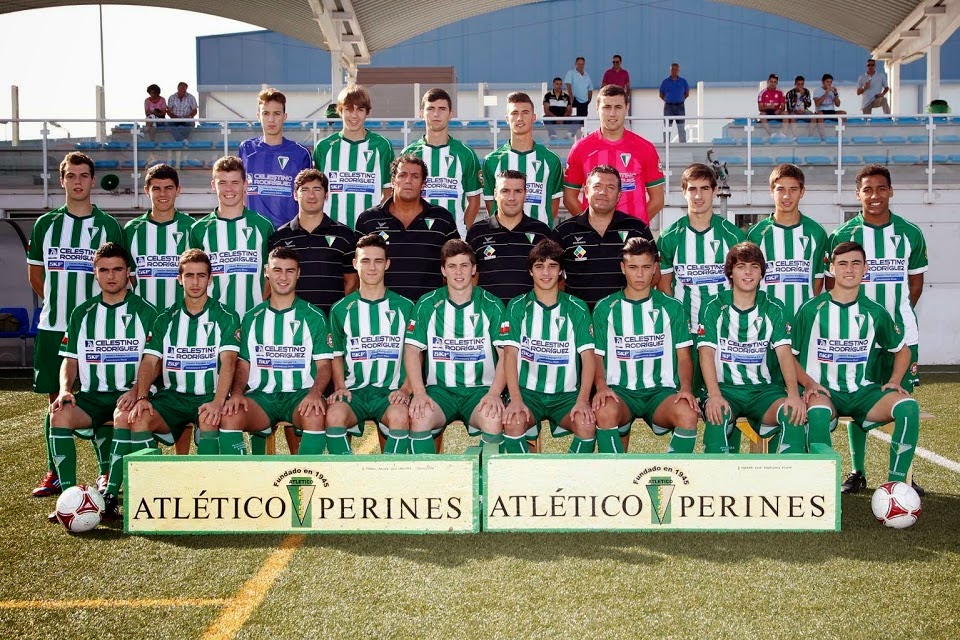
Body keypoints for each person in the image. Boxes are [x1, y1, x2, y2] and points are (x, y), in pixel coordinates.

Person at [27, 152, 124, 498]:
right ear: (62, 180)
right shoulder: (45, 225)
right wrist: (61, 308)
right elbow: (36, 276)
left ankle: (103, 472)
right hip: (54, 327)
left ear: (93, 181)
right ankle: (54, 472)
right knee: (57, 399)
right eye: (71, 176)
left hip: (100, 330)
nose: (78, 181)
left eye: (84, 175)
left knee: (100, 396)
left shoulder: (109, 225)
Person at [827, 164, 927, 493]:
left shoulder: (910, 233)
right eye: (867, 190)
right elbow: (832, 285)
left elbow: (915, 284)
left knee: (900, 397)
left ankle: (903, 478)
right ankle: (858, 472)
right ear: (858, 194)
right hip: (856, 337)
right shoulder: (844, 236)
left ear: (891, 192)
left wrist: (896, 318)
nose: (874, 196)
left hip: (899, 333)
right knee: (858, 395)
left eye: (881, 188)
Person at [794, 241, 920, 491]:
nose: (849, 269)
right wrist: (808, 383)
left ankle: (894, 488)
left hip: (862, 392)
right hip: (823, 391)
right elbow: (788, 355)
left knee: (908, 407)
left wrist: (895, 380)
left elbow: (902, 350)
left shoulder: (875, 311)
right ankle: (822, 490)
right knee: (817, 414)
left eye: (855, 263)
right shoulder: (811, 309)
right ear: (832, 268)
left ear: (865, 268)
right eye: (842, 264)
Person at [47, 242, 157, 522]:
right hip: (92, 396)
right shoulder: (81, 313)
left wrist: (137, 390)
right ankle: (69, 498)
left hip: (130, 394)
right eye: (104, 270)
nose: (111, 276)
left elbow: (155, 362)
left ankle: (109, 496)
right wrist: (64, 390)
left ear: (128, 272)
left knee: (123, 414)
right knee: (58, 414)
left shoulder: (147, 312)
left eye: (117, 269)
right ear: (95, 273)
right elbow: (70, 360)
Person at [120, 249, 240, 505]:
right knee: (139, 418)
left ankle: (209, 495)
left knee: (209, 421)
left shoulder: (226, 316)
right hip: (172, 397)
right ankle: (151, 494)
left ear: (210, 279)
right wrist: (142, 396)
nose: (195, 282)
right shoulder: (165, 318)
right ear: (179, 279)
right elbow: (150, 361)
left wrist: (218, 402)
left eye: (201, 276)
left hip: (208, 395)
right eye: (189, 276)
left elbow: (228, 363)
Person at [218, 247, 333, 455]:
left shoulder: (313, 315)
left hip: (300, 395)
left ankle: (303, 479)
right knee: (229, 416)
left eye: (290, 271)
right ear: (266, 272)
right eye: (277, 270)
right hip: (261, 397)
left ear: (298, 274)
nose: (283, 277)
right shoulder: (252, 317)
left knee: (315, 415)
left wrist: (316, 393)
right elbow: (244, 363)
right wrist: (235, 394)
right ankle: (241, 482)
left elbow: (324, 365)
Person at [592, 237, 699, 453]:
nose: (639, 274)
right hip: (620, 391)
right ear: (623, 268)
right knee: (604, 411)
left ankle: (672, 479)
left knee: (688, 413)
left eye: (645, 267)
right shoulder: (606, 308)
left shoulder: (673, 307)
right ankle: (615, 479)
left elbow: (684, 357)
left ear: (655, 269)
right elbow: (596, 356)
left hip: (660, 392)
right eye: (633, 267)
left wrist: (686, 388)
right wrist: (602, 387)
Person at [697, 243, 806, 455]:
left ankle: (787, 485)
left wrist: (793, 394)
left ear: (762, 272)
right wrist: (714, 395)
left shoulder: (774, 307)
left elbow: (784, 354)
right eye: (741, 266)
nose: (748, 272)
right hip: (725, 388)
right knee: (716, 413)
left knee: (792, 413)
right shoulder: (713, 306)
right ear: (730, 273)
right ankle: (716, 485)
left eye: (754, 266)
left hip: (762, 390)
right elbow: (706, 354)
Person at [403, 239, 507, 454]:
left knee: (494, 418)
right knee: (419, 417)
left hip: (480, 390)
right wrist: (419, 392)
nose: (458, 272)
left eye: (464, 265)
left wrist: (495, 393)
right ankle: (428, 482)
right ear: (443, 270)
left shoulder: (492, 304)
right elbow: (412, 351)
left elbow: (506, 355)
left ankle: (482, 482)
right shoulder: (427, 304)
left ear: (474, 269)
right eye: (452, 266)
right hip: (439, 391)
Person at [657, 163, 746, 394]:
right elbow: (665, 286)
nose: (698, 196)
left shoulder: (732, 235)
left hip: (724, 331)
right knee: (684, 399)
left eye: (705, 189)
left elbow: (743, 284)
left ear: (715, 191)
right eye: (693, 189)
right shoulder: (670, 236)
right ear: (683, 191)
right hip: (685, 334)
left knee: (728, 399)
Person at [500, 239, 596, 454]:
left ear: (561, 271)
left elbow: (588, 358)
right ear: (530, 271)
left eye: (552, 266)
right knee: (513, 422)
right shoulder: (517, 306)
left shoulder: (577, 308)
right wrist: (515, 399)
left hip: (566, 395)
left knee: (587, 424)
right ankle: (523, 484)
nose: (546, 272)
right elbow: (509, 355)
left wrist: (582, 400)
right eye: (539, 266)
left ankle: (569, 484)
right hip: (528, 394)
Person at [326, 234, 414, 454]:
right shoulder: (340, 309)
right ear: (355, 264)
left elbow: (415, 354)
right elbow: (336, 353)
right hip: (354, 391)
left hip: (390, 392)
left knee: (400, 417)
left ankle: (389, 481)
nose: (372, 267)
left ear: (387, 264)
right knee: (334, 415)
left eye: (378, 261)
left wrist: (405, 388)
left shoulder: (405, 307)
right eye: (365, 260)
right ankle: (348, 480)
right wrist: (340, 386)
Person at [355, 155, 459, 303]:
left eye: (415, 176)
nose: (408, 181)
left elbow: (455, 265)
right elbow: (356, 270)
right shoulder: (368, 220)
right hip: (382, 311)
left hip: (429, 309)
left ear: (423, 184)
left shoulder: (442, 218)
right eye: (402, 175)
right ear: (392, 181)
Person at [553, 165, 654, 310]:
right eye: (597, 186)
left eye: (611, 188)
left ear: (619, 195)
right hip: (579, 319)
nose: (603, 192)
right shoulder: (564, 232)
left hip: (625, 319)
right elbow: (550, 274)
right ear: (587, 191)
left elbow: (654, 272)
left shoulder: (637, 228)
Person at [563, 84, 665, 224]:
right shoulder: (580, 148)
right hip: (594, 238)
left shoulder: (645, 148)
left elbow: (658, 200)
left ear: (626, 108)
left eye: (618, 107)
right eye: (606, 107)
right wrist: (590, 226)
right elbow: (569, 198)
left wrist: (635, 226)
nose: (612, 113)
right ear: (597, 108)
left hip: (632, 239)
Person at [189, 156, 275, 319]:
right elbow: (194, 277)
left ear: (245, 185)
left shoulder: (263, 226)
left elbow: (271, 276)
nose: (229, 189)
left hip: (254, 319)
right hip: (213, 320)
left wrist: (257, 308)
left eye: (235, 182)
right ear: (213, 185)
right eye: (222, 183)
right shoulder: (198, 229)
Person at [746, 163, 828, 323]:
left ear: (802, 192)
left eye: (793, 190)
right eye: (780, 189)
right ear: (771, 191)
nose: (786, 196)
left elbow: (818, 279)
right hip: (764, 322)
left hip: (803, 322)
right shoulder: (756, 234)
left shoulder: (816, 232)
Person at [268, 168, 358, 314]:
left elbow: (352, 281)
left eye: (317, 189)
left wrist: (337, 313)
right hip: (291, 320)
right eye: (304, 189)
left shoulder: (344, 235)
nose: (311, 195)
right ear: (295, 195)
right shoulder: (279, 237)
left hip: (330, 321)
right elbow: (271, 282)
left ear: (326, 194)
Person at [401, 88, 482, 238]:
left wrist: (462, 229)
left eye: (442, 109)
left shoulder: (465, 154)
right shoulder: (409, 154)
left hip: (454, 238)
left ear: (451, 114)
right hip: (417, 237)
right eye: (430, 108)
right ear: (421, 113)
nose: (436, 114)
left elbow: (474, 200)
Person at [313, 84, 395, 229]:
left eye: (360, 109)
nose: (354, 115)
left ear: (367, 112)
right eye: (349, 109)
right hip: (332, 231)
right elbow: (316, 190)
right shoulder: (324, 147)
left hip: (370, 230)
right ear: (340, 111)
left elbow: (388, 192)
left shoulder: (381, 146)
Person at [466, 170, 551, 306]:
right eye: (505, 191)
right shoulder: (477, 232)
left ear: (525, 194)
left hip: (529, 317)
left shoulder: (542, 232)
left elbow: (553, 278)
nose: (511, 197)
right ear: (495, 194)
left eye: (518, 191)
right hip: (489, 316)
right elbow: (470, 279)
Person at [482, 92, 563, 227]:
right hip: (502, 238)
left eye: (525, 112)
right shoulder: (492, 161)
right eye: (514, 113)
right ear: (507, 119)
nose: (519, 118)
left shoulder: (551, 160)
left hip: (539, 238)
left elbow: (553, 205)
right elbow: (491, 204)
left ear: (533, 117)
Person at [238, 88, 313, 228]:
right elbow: (240, 190)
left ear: (284, 116)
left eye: (277, 113)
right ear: (258, 116)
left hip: (288, 235)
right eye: (266, 113)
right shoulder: (246, 149)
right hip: (253, 231)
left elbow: (309, 196)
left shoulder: (300, 153)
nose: (271, 119)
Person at [124, 164, 194, 312]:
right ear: (146, 191)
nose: (163, 194)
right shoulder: (131, 230)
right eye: (156, 188)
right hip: (143, 317)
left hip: (182, 317)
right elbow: (131, 277)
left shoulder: (192, 227)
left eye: (168, 188)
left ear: (178, 190)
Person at [659, 63, 689, 143]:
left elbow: (687, 93)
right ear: (670, 70)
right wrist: (668, 100)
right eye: (672, 69)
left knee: (681, 127)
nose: (674, 71)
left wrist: (680, 99)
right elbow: (661, 94)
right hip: (668, 107)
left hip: (680, 107)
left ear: (678, 71)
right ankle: (666, 144)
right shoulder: (665, 82)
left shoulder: (683, 81)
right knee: (667, 127)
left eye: (676, 69)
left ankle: (683, 144)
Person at [812, 74, 846, 139]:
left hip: (831, 111)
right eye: (827, 82)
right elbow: (817, 104)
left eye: (830, 82)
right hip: (821, 111)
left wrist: (835, 94)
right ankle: (823, 136)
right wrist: (826, 93)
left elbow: (838, 104)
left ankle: (839, 135)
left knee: (843, 113)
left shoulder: (833, 91)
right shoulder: (817, 91)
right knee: (820, 115)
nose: (829, 84)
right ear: (823, 82)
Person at [564, 56, 594, 121]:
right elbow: (568, 84)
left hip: (584, 101)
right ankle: (569, 130)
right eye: (578, 64)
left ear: (584, 65)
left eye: (582, 64)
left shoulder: (587, 75)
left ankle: (578, 131)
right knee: (567, 115)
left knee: (582, 121)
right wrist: (571, 95)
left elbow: (590, 88)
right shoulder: (571, 72)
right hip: (574, 99)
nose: (580, 65)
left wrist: (589, 99)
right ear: (575, 64)